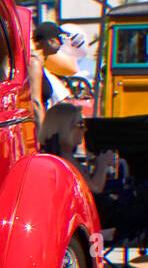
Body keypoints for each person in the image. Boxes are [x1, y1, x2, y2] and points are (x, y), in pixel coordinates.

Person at [39, 101, 119, 241]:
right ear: (65, 128)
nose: (84, 130)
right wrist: (102, 163)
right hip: (90, 218)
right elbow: (95, 188)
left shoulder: (56, 154)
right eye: (80, 125)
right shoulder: (65, 158)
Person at [29, 22, 70, 131]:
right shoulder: (35, 64)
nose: (61, 43)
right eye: (59, 39)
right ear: (49, 41)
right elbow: (35, 101)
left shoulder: (40, 63)